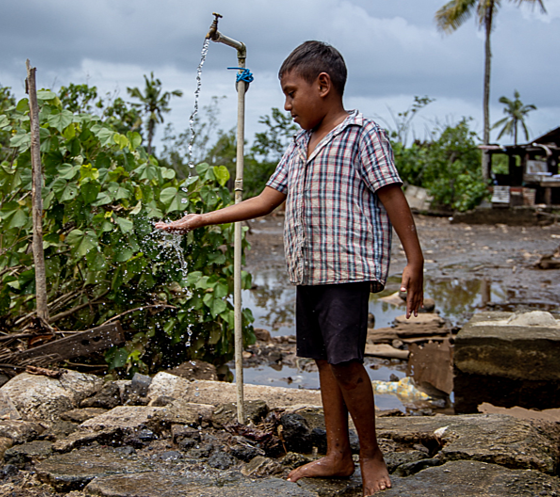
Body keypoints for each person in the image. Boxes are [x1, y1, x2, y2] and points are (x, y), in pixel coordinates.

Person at [156, 40, 424, 496]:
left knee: (346, 361)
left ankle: (370, 453)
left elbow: (391, 195)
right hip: (309, 271)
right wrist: (199, 219)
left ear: (323, 86)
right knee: (324, 361)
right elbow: (265, 200)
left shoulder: (363, 133)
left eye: (290, 92)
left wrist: (415, 259)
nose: (286, 105)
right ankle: (338, 455)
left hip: (347, 269)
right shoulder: (299, 144)